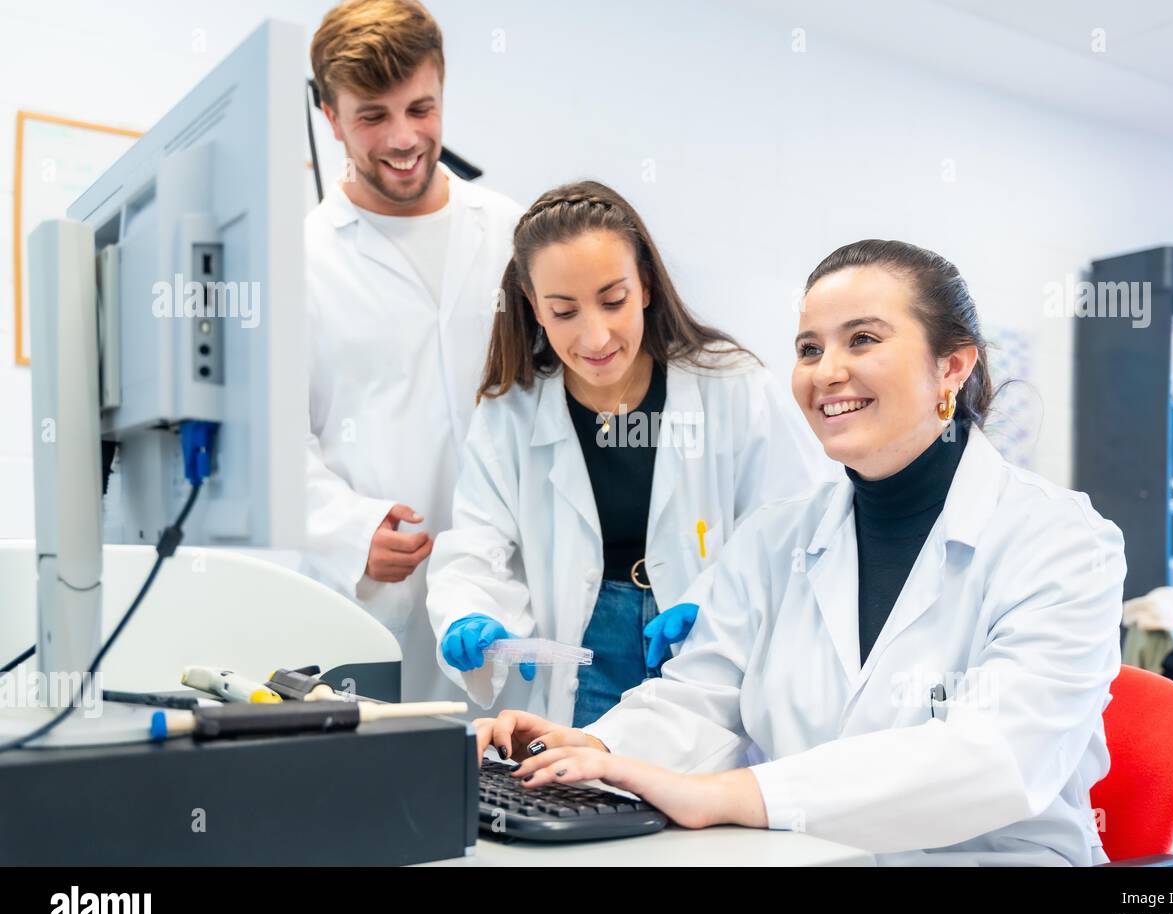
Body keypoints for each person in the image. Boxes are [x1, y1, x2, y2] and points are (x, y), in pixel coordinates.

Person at [472, 239, 1126, 865]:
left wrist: (730, 796)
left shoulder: (1061, 542)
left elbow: (994, 757)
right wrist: (591, 747)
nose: (826, 371)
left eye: (862, 339)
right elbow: (700, 699)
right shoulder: (775, 538)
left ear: (952, 365)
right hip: (806, 857)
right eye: (810, 348)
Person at [426, 181, 829, 727]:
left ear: (645, 285)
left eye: (613, 301)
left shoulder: (731, 384)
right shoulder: (512, 412)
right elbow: (477, 543)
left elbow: (792, 523)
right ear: (533, 306)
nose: (595, 337)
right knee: (585, 775)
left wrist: (717, 600)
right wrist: (471, 612)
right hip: (583, 656)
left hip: (705, 644)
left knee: (701, 771)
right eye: (564, 311)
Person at [301, 0, 522, 700]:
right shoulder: (298, 257)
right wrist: (348, 531)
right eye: (373, 117)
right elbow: (273, 445)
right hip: (375, 605)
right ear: (331, 118)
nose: (403, 139)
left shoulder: (512, 234)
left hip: (509, 594)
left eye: (420, 109)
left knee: (516, 758)